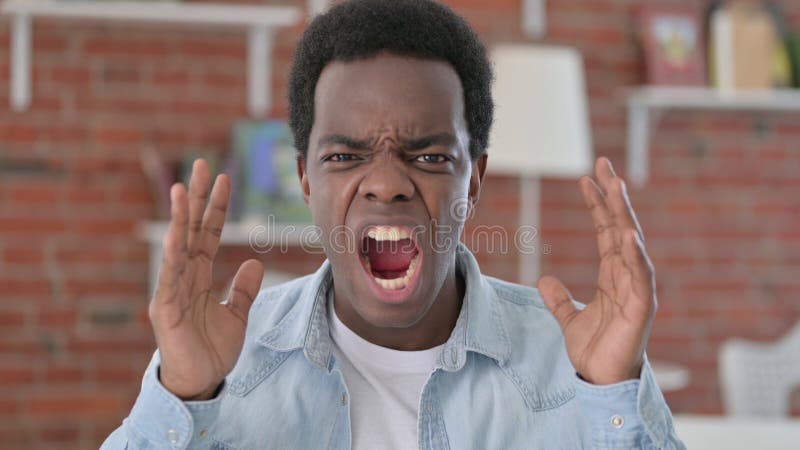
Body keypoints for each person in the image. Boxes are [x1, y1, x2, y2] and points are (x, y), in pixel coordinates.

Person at [102, 0, 685, 448]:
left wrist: (614, 393)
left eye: (429, 156)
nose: (386, 183)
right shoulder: (222, 361)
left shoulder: (579, 367)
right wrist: (185, 391)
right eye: (345, 156)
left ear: (473, 180)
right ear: (306, 180)